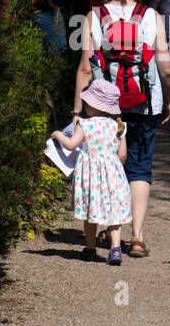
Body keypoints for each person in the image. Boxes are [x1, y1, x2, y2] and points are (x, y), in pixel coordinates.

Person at [73, 0, 170, 257]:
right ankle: (137, 237)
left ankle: (107, 228)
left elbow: (85, 69)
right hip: (143, 103)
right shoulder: (151, 16)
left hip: (104, 106)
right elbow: (166, 69)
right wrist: (166, 102)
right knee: (139, 168)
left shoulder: (94, 16)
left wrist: (78, 111)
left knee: (109, 165)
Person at [50, 78, 131, 264]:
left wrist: (58, 135)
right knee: (114, 212)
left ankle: (90, 248)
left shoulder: (85, 125)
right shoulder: (119, 126)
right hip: (113, 175)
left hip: (91, 176)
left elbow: (71, 145)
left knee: (91, 210)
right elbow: (123, 155)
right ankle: (116, 249)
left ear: (91, 105)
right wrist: (113, 167)